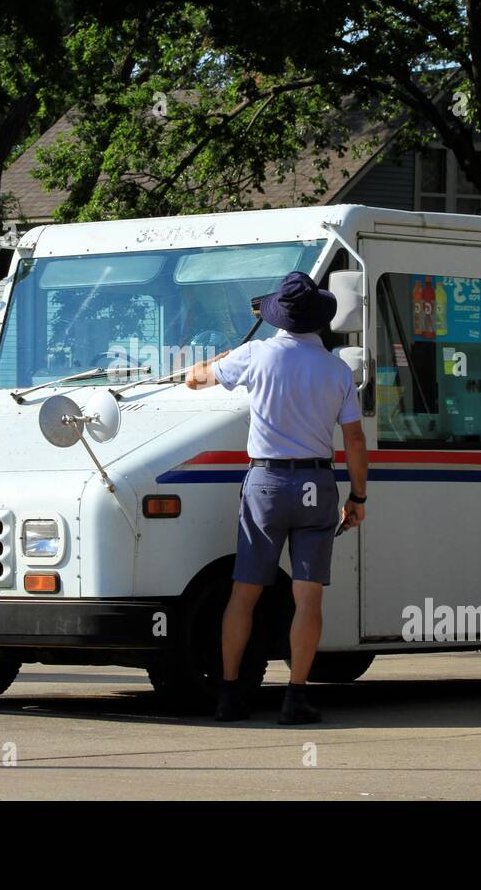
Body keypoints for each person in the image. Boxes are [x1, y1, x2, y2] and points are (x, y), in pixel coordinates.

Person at [186, 271, 368, 724]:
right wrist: (358, 497)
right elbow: (356, 440)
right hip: (316, 484)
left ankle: (229, 694)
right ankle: (295, 696)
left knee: (244, 594)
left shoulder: (255, 355)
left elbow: (195, 379)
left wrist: (224, 358)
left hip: (266, 483)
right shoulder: (336, 369)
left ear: (277, 317)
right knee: (308, 599)